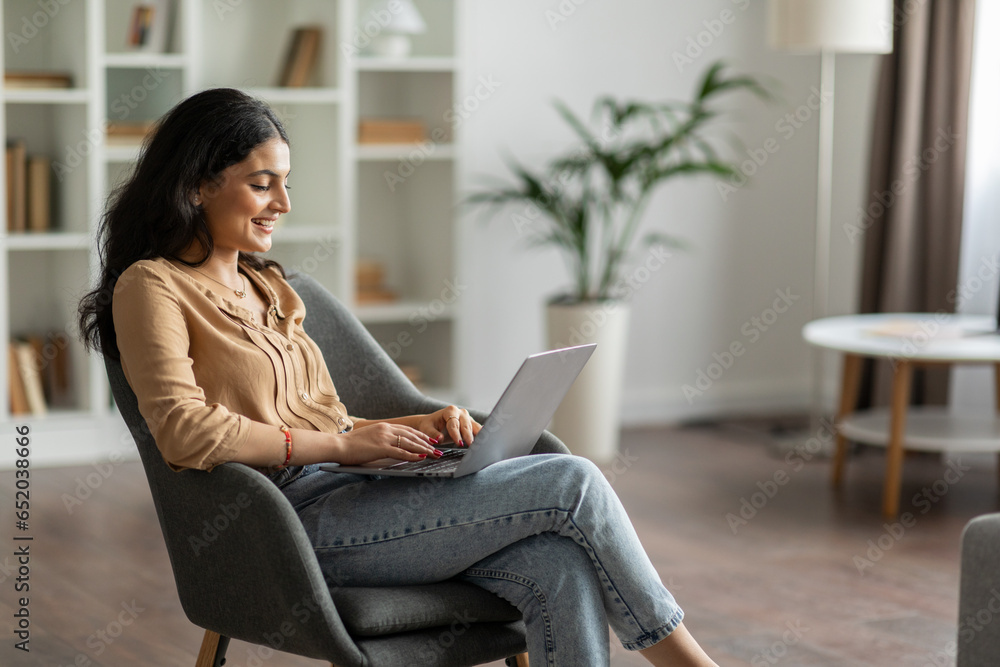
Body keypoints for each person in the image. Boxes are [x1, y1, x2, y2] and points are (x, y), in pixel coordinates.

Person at [78, 88, 718, 667]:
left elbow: (328, 419)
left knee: (557, 562)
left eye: (286, 183)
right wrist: (342, 446)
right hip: (288, 528)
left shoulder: (268, 286)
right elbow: (182, 431)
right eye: (262, 183)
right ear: (196, 186)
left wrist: (413, 427)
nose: (284, 204)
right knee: (572, 479)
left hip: (356, 490)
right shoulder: (153, 286)